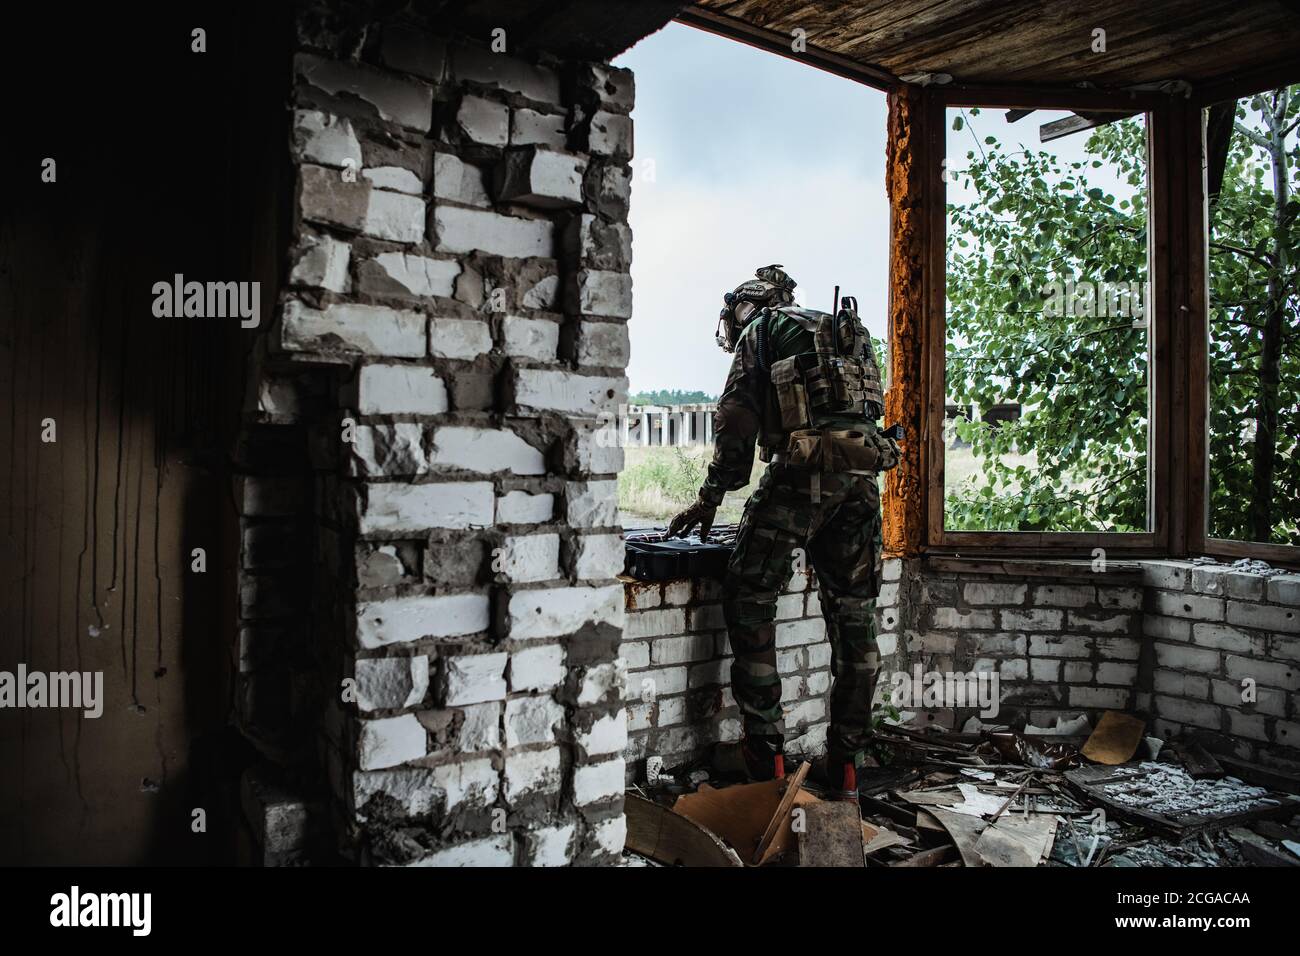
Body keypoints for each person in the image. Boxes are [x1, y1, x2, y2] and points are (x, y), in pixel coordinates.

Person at [667, 264, 899, 797]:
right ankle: (845, 763)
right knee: (854, 613)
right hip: (863, 485)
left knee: (750, 594)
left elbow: (736, 422)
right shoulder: (834, 331)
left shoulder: (762, 330)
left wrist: (711, 497)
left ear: (744, 305)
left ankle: (764, 755)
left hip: (800, 479)